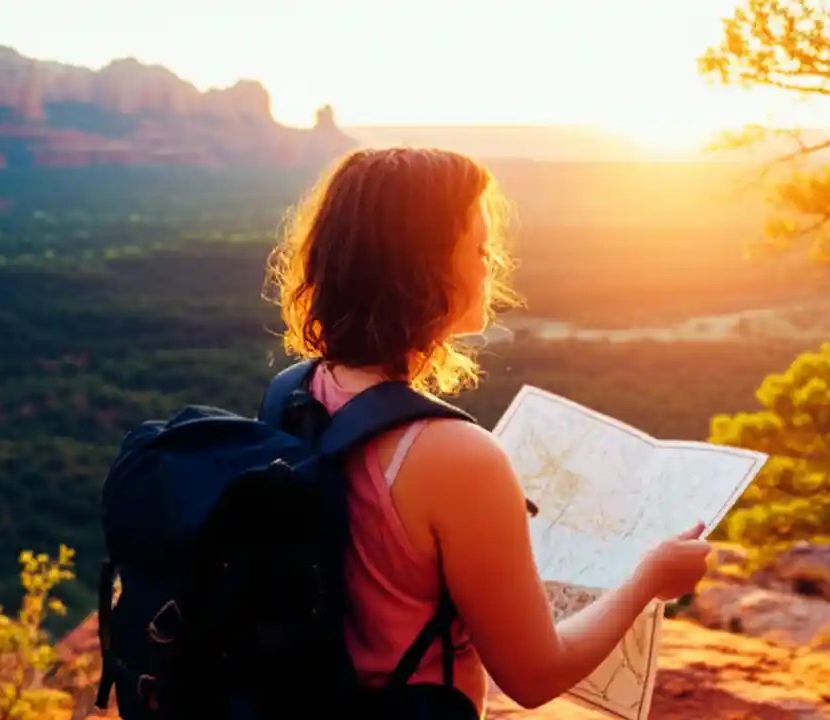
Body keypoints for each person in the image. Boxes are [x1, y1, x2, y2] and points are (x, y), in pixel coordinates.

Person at [263, 147, 712, 716]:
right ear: (423, 268)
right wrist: (650, 577)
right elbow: (533, 676)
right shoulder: (454, 454)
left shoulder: (293, 392)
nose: (491, 263)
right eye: (477, 247)